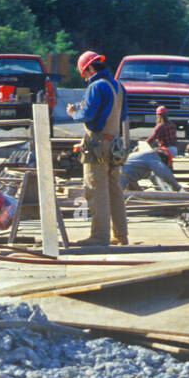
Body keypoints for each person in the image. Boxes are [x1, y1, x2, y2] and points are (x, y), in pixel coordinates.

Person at [67, 50, 129, 247]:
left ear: (90, 68)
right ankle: (120, 236)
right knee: (114, 190)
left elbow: (87, 115)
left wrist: (73, 113)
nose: (85, 78)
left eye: (84, 73)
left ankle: (99, 236)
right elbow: (123, 116)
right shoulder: (118, 86)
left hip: (97, 145)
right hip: (114, 146)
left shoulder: (96, 86)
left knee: (96, 190)